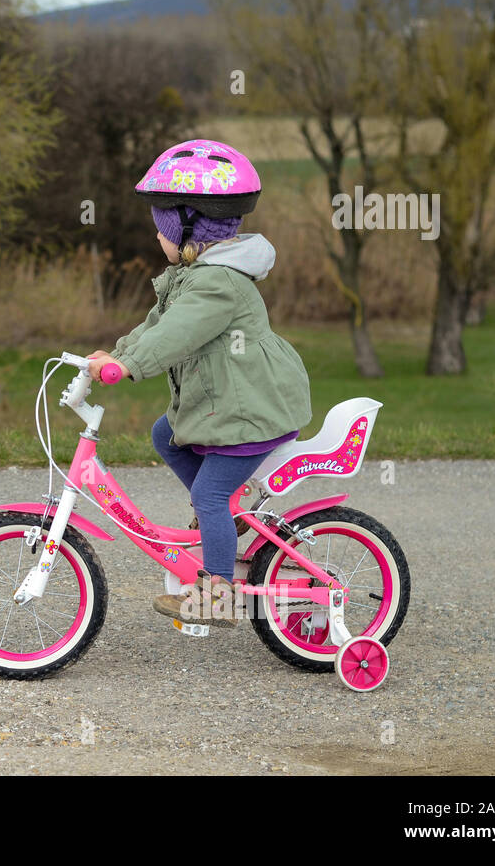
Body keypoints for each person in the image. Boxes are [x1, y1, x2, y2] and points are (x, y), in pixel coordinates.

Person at [86, 139, 311, 626]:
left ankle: (218, 594)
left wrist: (131, 367)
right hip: (233, 404)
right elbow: (155, 325)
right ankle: (224, 522)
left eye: (161, 231)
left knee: (208, 493)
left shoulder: (216, 284)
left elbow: (175, 335)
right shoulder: (197, 275)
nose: (158, 241)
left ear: (189, 229)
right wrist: (119, 355)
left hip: (252, 412)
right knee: (164, 434)